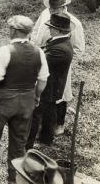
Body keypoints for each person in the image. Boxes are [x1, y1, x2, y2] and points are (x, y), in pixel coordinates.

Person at [0, 15, 49, 183]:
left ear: (13, 31)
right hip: (26, 103)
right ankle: (13, 178)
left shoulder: (6, 51)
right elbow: (43, 80)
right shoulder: (39, 52)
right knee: (19, 143)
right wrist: (36, 97)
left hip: (3, 102)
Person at [31, 0, 85, 135]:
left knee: (60, 94)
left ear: (63, 7)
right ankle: (43, 122)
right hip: (41, 58)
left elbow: (79, 49)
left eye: (55, 8)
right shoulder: (45, 14)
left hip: (60, 65)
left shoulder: (74, 23)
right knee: (43, 92)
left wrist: (62, 60)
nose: (52, 11)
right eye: (51, 8)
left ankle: (59, 124)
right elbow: (36, 31)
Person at [26, 13, 74, 149]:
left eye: (51, 27)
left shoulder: (61, 49)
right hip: (54, 86)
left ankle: (27, 145)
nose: (49, 29)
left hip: (49, 87)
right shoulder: (61, 41)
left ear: (58, 30)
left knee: (34, 114)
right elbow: (46, 51)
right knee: (49, 112)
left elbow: (40, 61)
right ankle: (46, 138)